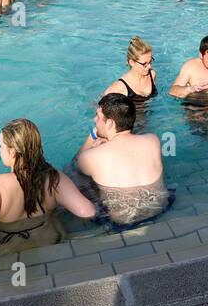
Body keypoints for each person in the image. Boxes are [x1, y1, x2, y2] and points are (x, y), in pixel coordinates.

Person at [0, 119, 97, 251]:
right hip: (51, 243)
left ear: (12, 151)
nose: (0, 150)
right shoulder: (54, 178)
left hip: (10, 252)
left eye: (1, 146)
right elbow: (88, 211)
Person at [73, 94, 170, 227]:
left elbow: (75, 164)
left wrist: (93, 135)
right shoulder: (153, 140)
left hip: (123, 220)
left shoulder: (92, 156)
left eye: (98, 116)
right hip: (160, 207)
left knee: (77, 178)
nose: (94, 119)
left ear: (110, 123)